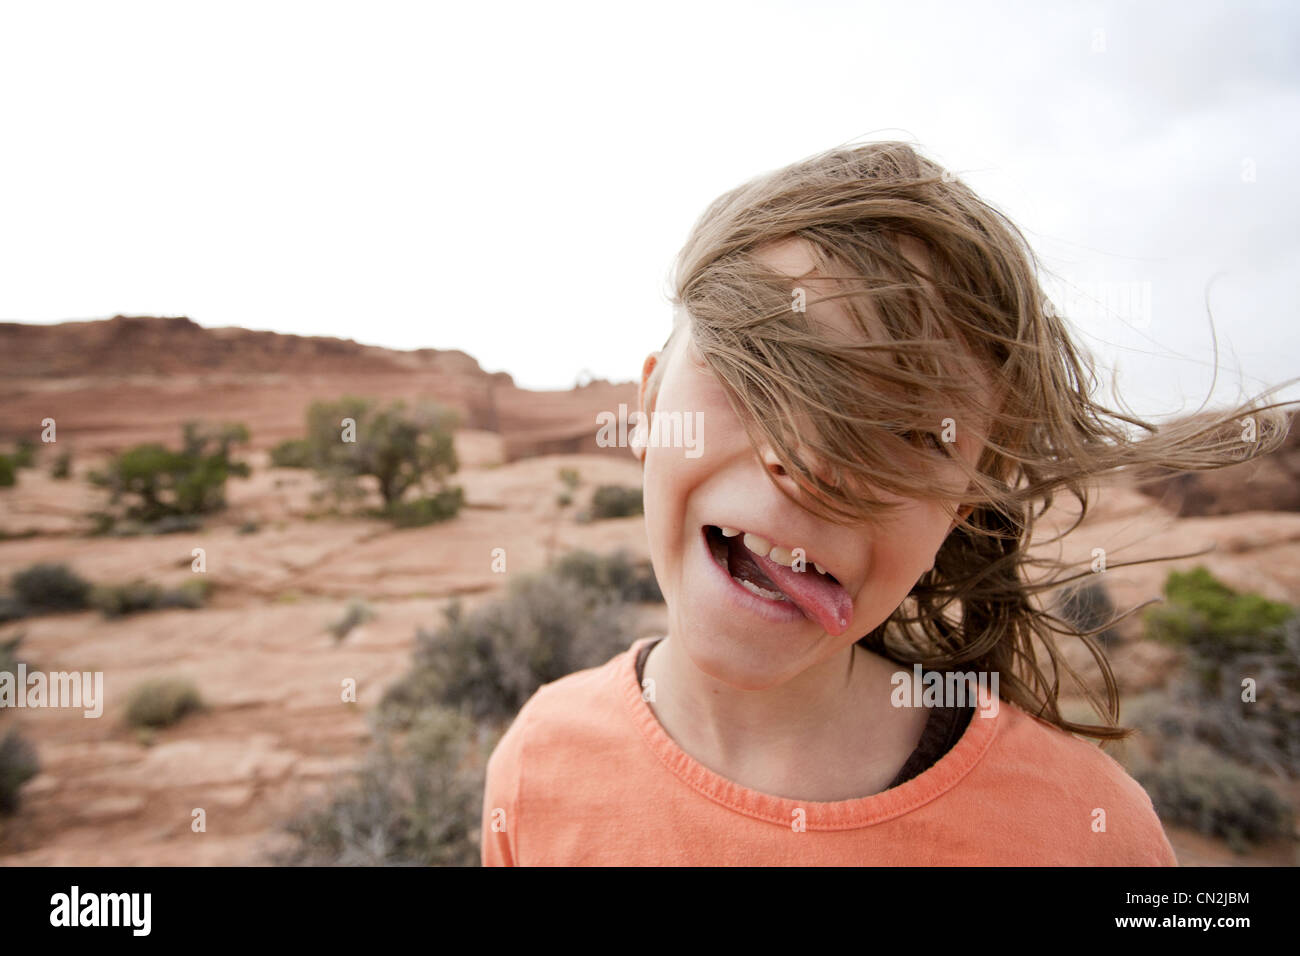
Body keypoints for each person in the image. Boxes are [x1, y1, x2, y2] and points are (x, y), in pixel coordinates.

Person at [480, 140, 1292, 865]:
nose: (808, 465)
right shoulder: (541, 762)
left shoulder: (1088, 835)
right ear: (651, 402)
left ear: (968, 507)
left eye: (907, 429)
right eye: (762, 370)